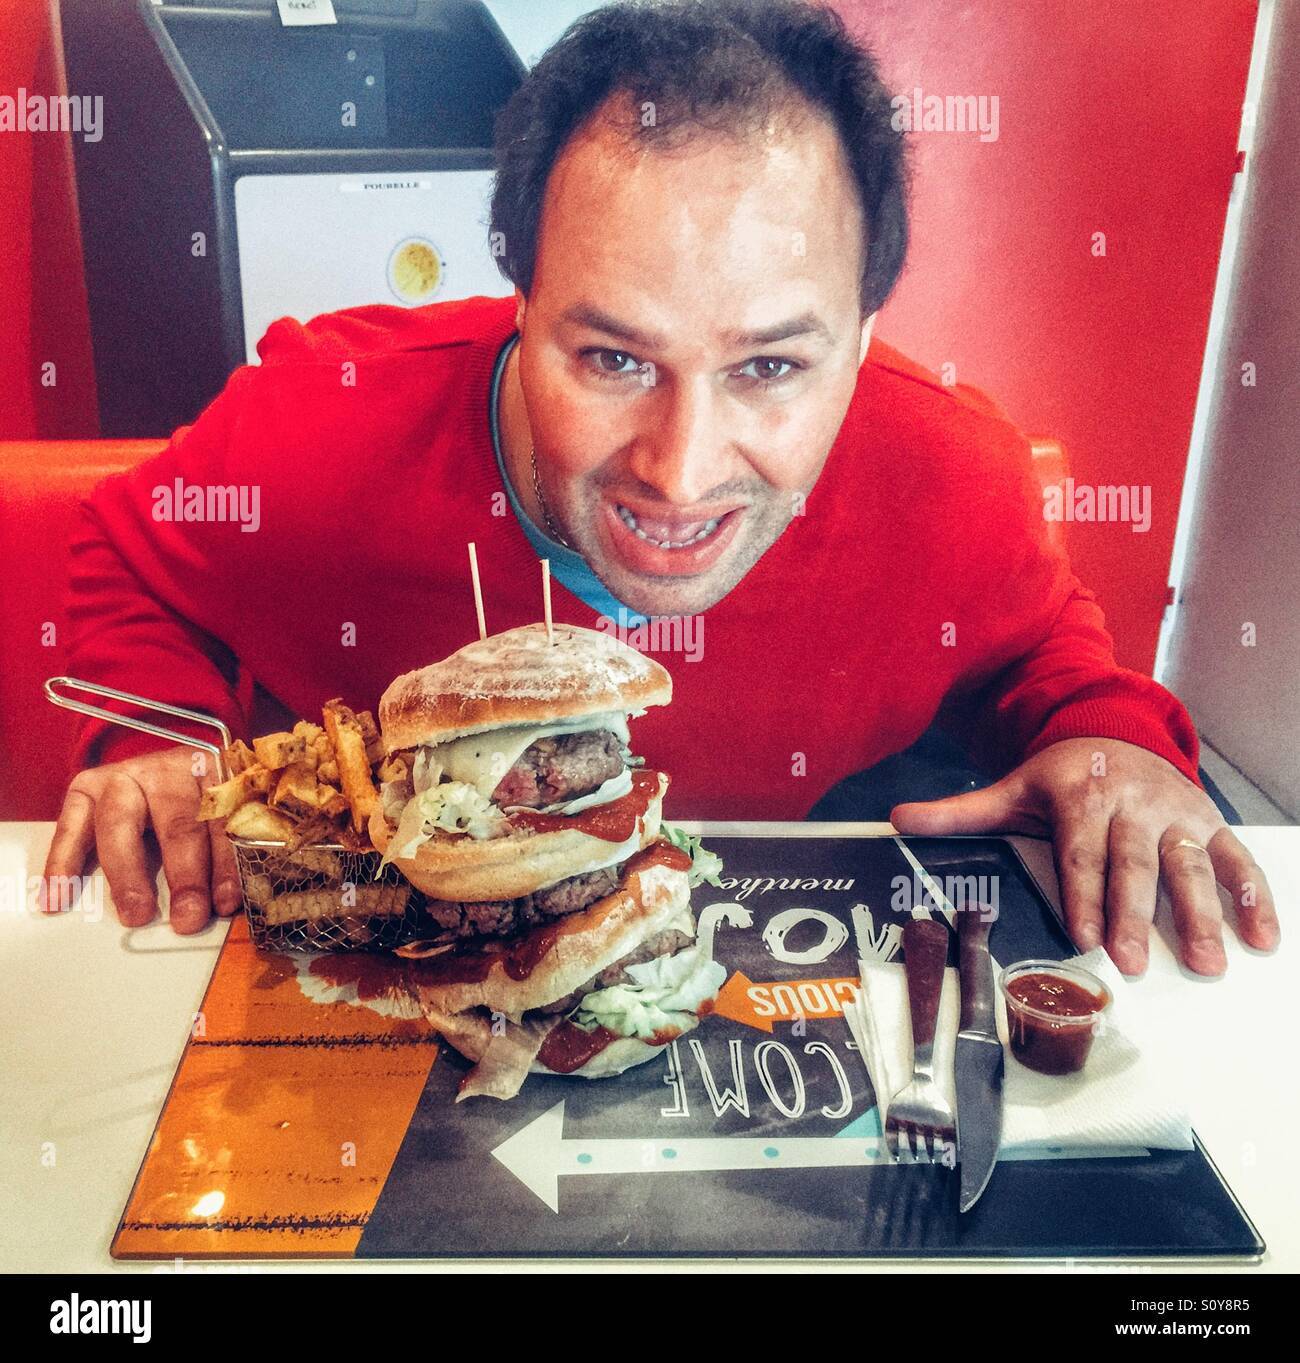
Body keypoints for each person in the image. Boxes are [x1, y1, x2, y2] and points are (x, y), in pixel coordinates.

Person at [43, 0, 1277, 975]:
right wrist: (154, 739)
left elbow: (1046, 652)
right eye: (612, 358)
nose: (681, 473)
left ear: (860, 339)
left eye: (770, 367)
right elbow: (128, 557)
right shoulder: (324, 424)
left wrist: (1108, 744)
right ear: (521, 304)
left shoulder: (950, 479)